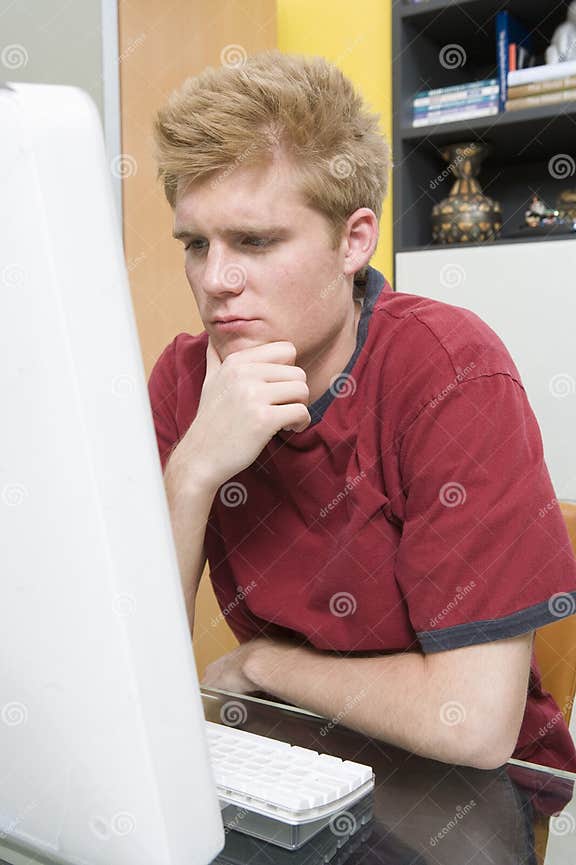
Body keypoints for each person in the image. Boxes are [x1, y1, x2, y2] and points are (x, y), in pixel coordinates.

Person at [148, 49, 576, 772]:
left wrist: (262, 665)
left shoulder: (449, 368)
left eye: (254, 240)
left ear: (354, 240)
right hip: (288, 755)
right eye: (196, 244)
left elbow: (471, 724)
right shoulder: (187, 378)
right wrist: (190, 472)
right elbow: (128, 671)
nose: (215, 280)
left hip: (466, 791)